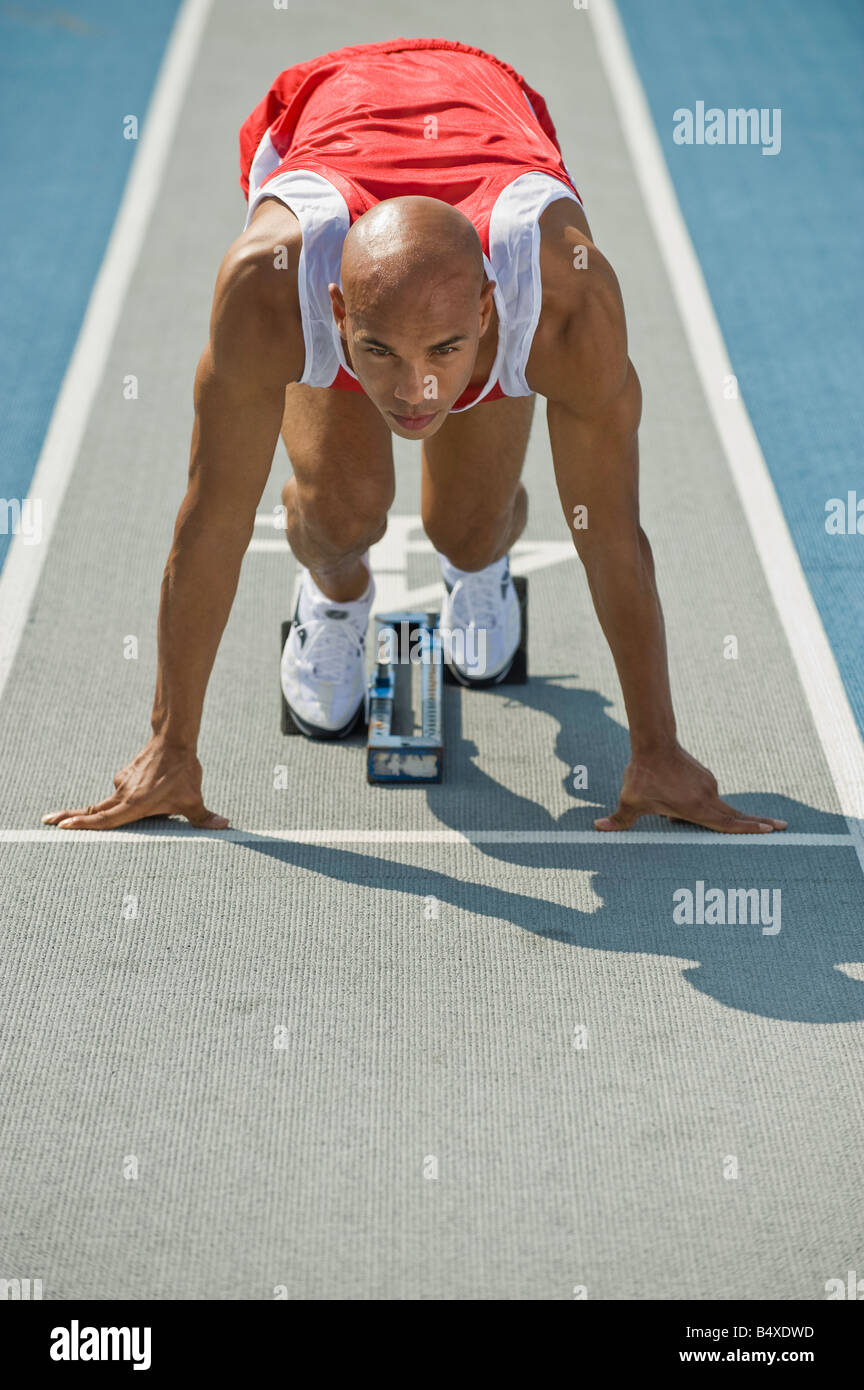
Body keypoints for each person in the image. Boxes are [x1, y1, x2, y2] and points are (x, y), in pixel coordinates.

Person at [43, 38, 786, 835]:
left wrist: (658, 747)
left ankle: (481, 566)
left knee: (464, 527)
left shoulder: (567, 300)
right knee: (343, 512)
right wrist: (171, 746)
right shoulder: (268, 285)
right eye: (379, 355)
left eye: (444, 354)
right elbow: (212, 518)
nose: (415, 393)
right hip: (327, 119)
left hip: (491, 110)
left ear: (488, 311)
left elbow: (608, 530)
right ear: (333, 315)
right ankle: (334, 599)